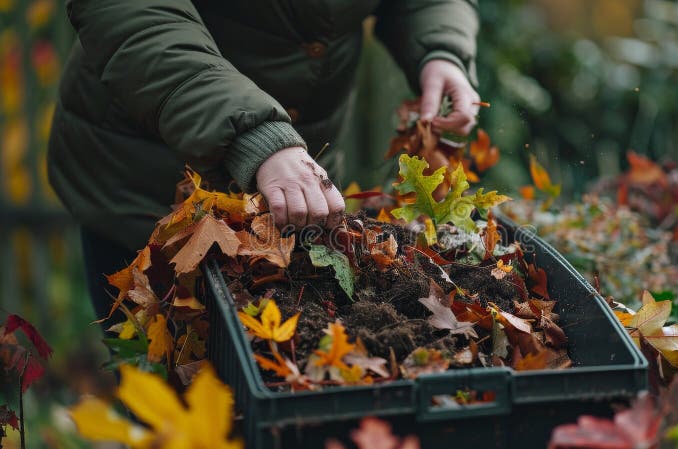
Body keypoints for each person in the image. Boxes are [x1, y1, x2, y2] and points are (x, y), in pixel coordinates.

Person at [48, 0, 480, 321]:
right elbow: (131, 12)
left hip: (293, 179)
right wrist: (250, 132)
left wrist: (440, 46)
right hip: (152, 176)